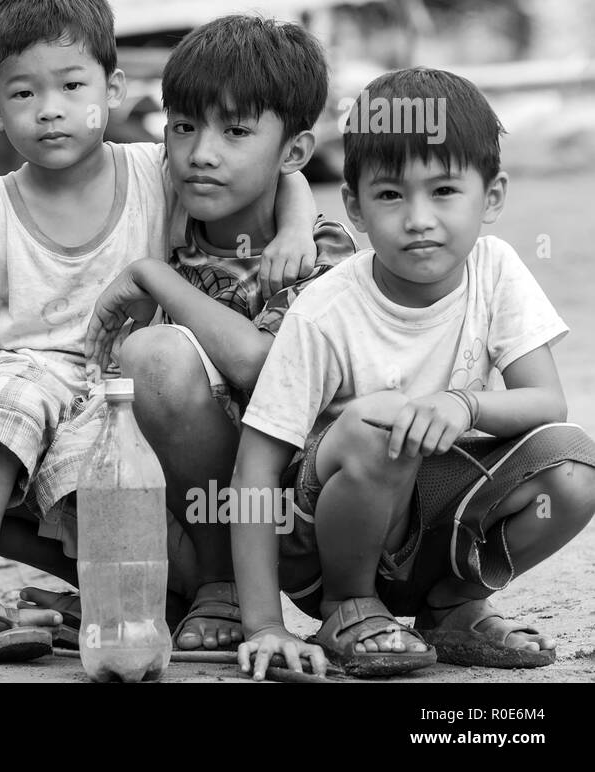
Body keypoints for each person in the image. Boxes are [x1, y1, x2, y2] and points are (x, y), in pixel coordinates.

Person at [0, 0, 321, 662]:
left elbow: (275, 165)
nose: (50, 111)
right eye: (24, 93)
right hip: (31, 369)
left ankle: (169, 591)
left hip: (121, 382)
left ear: (111, 90)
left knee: (104, 466)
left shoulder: (154, 168)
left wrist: (299, 228)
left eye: (72, 87)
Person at [232, 67, 595, 679]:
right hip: (329, 538)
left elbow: (545, 402)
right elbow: (255, 469)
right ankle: (348, 607)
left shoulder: (497, 269)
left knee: (575, 465)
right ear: (355, 206)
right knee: (381, 422)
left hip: (434, 528)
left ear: (493, 197)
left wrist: (466, 404)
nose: (419, 218)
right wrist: (264, 624)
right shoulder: (328, 309)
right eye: (392, 195)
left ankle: (451, 607)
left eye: (445, 191)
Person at [24, 15, 357, 653]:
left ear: (293, 151)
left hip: (282, 502)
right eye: (183, 127)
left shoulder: (319, 258)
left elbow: (265, 369)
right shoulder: (170, 193)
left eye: (235, 131)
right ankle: (157, 587)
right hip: (173, 478)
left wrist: (155, 275)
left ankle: (224, 582)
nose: (201, 152)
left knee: (152, 355)